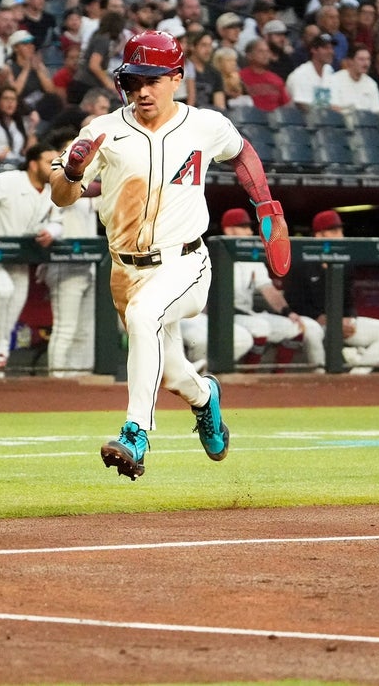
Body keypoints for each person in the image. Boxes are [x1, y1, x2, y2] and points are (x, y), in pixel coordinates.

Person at [50, 29, 291, 480]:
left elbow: (242, 154)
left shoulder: (204, 124)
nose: (142, 90)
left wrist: (266, 206)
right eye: (133, 80)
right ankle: (204, 398)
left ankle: (136, 433)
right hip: (126, 270)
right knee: (169, 371)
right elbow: (62, 196)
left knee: (144, 317)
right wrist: (72, 169)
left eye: (153, 79)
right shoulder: (101, 131)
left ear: (177, 77)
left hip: (186, 262)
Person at [282, 210, 379, 374]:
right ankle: (321, 375)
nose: (341, 235)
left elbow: (349, 299)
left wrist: (349, 318)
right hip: (314, 322)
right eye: (335, 231)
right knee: (313, 332)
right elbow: (294, 301)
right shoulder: (300, 262)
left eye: (340, 231)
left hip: (339, 323)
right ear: (320, 235)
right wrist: (321, 318)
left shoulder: (345, 261)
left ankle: (355, 376)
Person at [0, 141, 62, 375]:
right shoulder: (9, 180)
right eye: (50, 162)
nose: (55, 167)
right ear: (33, 163)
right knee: (4, 292)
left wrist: (51, 232)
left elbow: (58, 222)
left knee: (15, 305)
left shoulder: (52, 190)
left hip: (19, 259)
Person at [40, 128, 101, 378]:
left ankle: (78, 377)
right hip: (64, 265)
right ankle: (56, 381)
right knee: (65, 328)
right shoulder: (53, 189)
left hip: (88, 266)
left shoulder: (85, 189)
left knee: (85, 328)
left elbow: (101, 191)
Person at [219, 208, 304, 367]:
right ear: (229, 230)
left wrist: (288, 312)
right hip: (220, 317)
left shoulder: (252, 258)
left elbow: (268, 289)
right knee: (259, 327)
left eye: (249, 227)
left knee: (295, 327)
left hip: (246, 314)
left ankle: (273, 381)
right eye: (243, 227)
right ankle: (247, 377)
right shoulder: (213, 255)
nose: (249, 231)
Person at [0, 85, 35, 165]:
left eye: (13, 99)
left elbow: (26, 152)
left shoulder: (18, 123)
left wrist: (32, 128)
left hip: (16, 163)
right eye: (6, 98)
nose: (10, 102)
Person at [286, 32, 335, 112]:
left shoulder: (329, 70)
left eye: (332, 48)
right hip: (301, 122)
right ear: (314, 50)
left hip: (325, 120)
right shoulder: (300, 75)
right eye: (326, 48)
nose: (331, 52)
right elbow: (302, 106)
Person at [329, 44, 379, 113]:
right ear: (350, 61)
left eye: (368, 59)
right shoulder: (335, 80)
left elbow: (378, 111)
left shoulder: (371, 83)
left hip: (366, 122)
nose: (366, 63)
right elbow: (334, 108)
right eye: (361, 59)